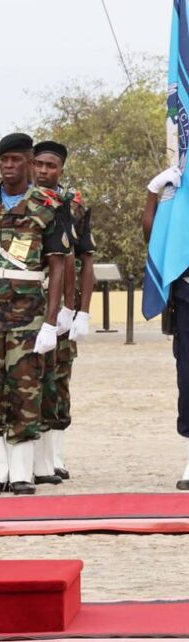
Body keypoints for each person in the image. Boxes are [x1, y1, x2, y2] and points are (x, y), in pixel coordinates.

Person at [0, 133, 69, 497]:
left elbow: (57, 267)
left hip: (28, 313)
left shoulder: (48, 205)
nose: (8, 166)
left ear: (28, 161)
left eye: (16, 160)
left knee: (25, 387)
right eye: (3, 160)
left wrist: (52, 321)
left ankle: (21, 470)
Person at [32, 141, 94, 483]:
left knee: (58, 380)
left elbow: (83, 258)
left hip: (64, 307)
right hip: (29, 303)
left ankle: (54, 456)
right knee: (30, 379)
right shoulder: (24, 203)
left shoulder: (74, 204)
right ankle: (34, 456)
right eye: (38, 164)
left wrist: (80, 311)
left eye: (50, 166)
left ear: (61, 169)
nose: (43, 171)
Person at [142, 164, 189, 490]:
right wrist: (153, 193)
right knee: (188, 378)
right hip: (187, 297)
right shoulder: (179, 193)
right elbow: (153, 237)